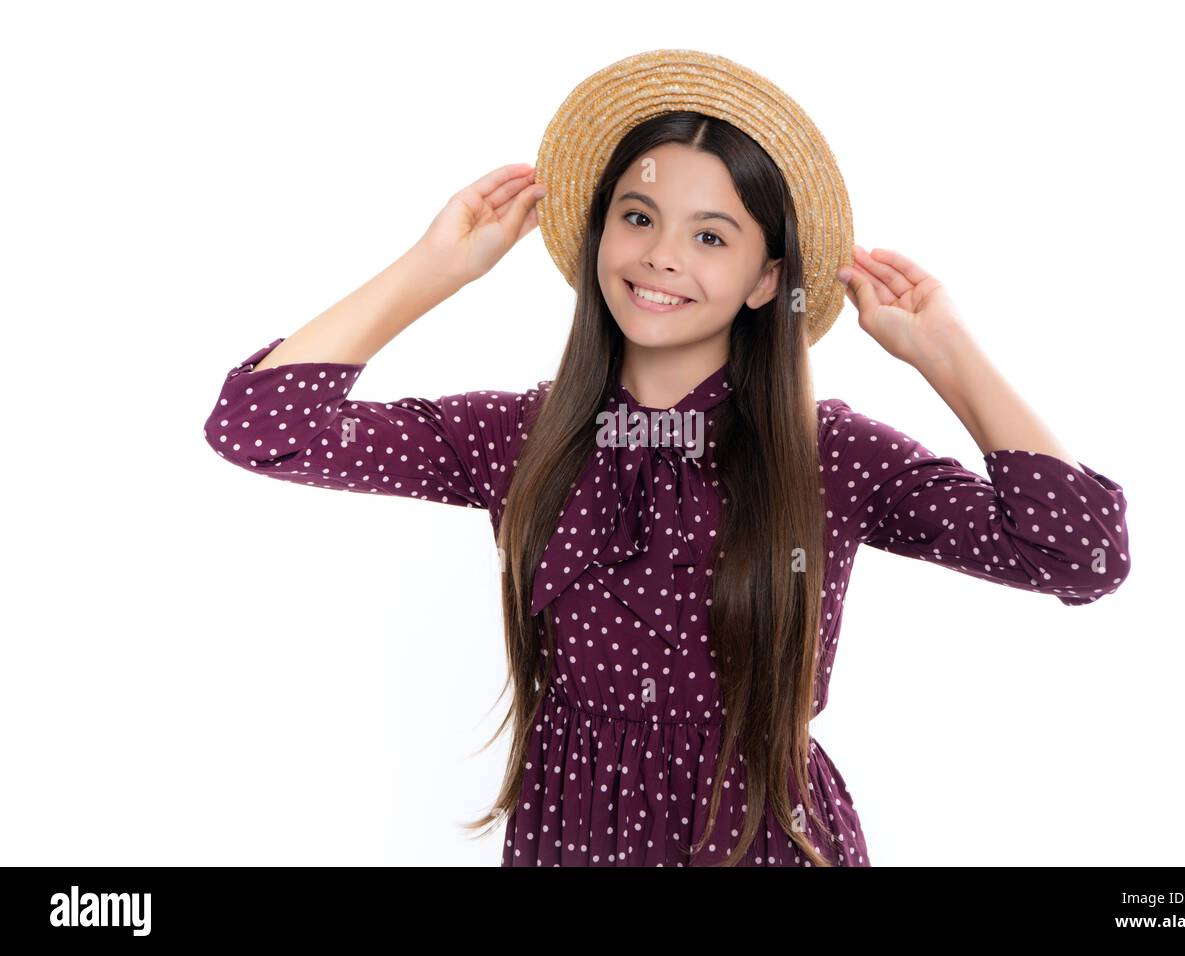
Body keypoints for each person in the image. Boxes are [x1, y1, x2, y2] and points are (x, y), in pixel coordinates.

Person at [203, 51, 1131, 867]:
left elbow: (1085, 553)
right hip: (565, 838)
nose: (661, 258)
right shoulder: (521, 439)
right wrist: (431, 269)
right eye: (637, 216)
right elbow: (257, 425)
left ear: (769, 278)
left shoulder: (827, 453)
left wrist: (948, 354)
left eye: (712, 236)